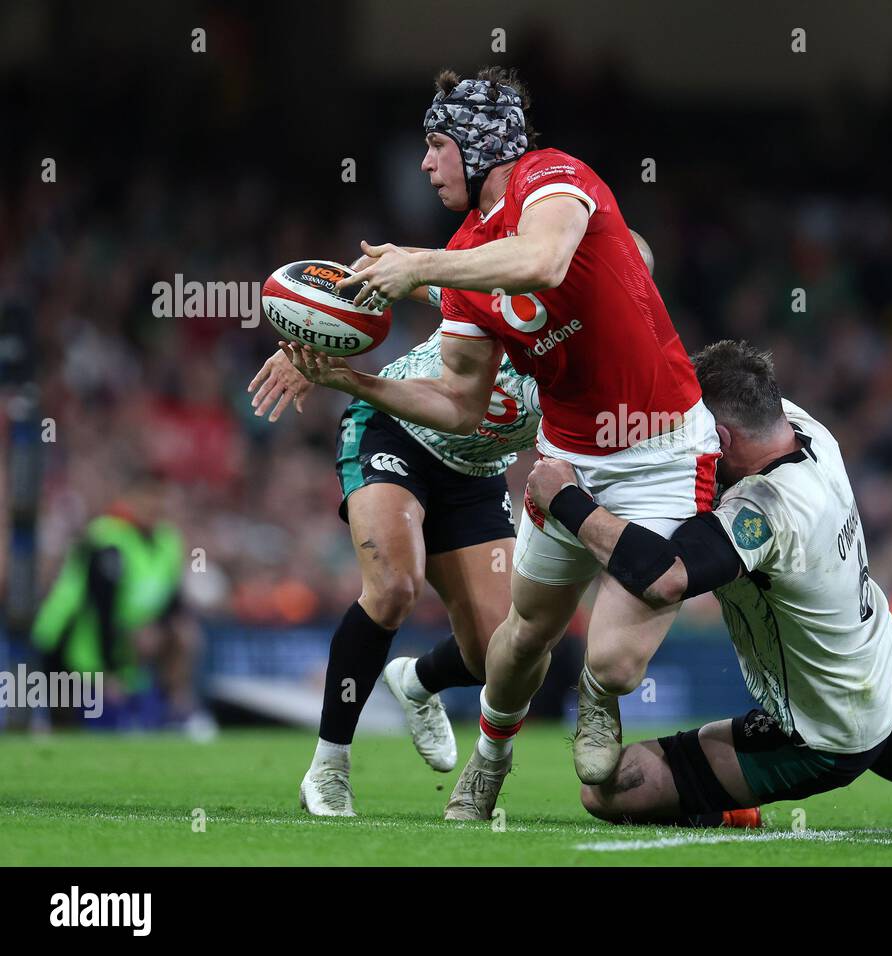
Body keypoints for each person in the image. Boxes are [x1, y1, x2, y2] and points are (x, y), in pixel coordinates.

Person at [283, 67, 722, 821]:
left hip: (656, 454)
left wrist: (419, 264)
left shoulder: (556, 177)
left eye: (436, 145)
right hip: (542, 459)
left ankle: (582, 699)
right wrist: (355, 382)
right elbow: (457, 406)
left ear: (481, 146)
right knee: (466, 623)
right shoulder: (463, 264)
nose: (424, 163)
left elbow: (543, 260)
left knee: (576, 659)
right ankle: (444, 766)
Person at [525, 341, 892, 834]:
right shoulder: (797, 423)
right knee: (862, 712)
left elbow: (667, 579)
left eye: (695, 435)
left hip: (818, 737)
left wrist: (567, 499)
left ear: (722, 438)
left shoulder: (768, 511)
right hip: (876, 662)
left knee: (610, 790)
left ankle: (720, 805)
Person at [248, 229, 659, 817]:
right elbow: (391, 268)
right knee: (393, 588)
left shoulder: (613, 370)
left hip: (476, 473)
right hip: (395, 430)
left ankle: (416, 682)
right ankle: (329, 766)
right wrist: (307, 332)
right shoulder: (513, 297)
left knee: (506, 654)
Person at [30, 477, 209, 735]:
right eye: (149, 498)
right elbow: (98, 611)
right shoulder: (106, 538)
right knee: (74, 729)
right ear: (130, 499)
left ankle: (178, 707)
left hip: (126, 639)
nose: (155, 506)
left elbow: (174, 601)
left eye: (161, 499)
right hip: (68, 639)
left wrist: (155, 627)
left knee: (186, 633)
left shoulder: (168, 540)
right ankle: (53, 714)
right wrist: (106, 672)